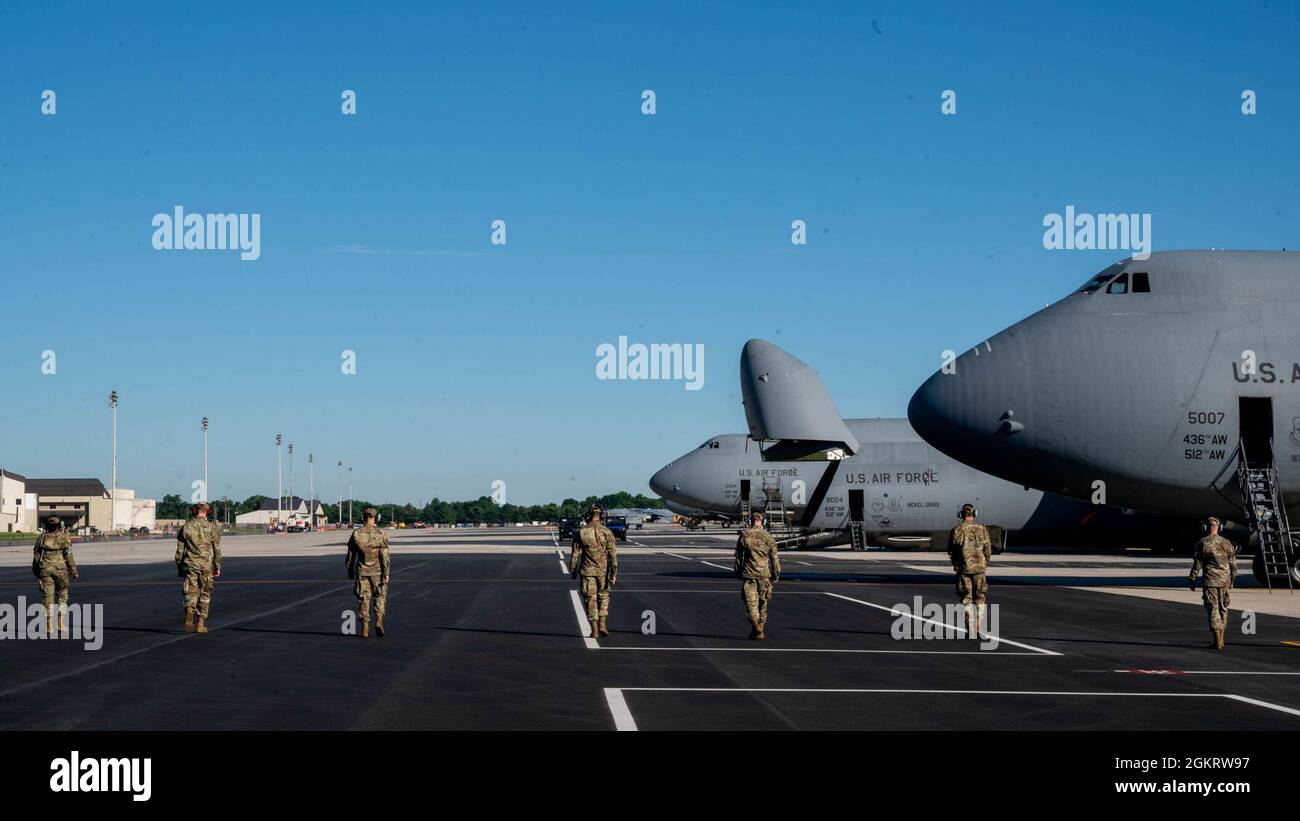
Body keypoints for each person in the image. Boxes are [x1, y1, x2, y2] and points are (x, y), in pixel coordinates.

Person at [1189, 516, 1237, 650]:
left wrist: (1192, 579)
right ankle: (1221, 640)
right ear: (1220, 528)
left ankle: (1217, 641)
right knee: (1223, 608)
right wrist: (1232, 580)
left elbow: (1197, 564)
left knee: (1213, 609)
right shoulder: (1227, 542)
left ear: (1206, 527)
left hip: (1210, 581)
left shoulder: (1202, 543)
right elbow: (1233, 564)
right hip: (1225, 581)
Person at [175, 502, 222, 634]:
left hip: (190, 565)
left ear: (194, 511)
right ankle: (201, 624)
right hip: (206, 566)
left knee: (190, 591)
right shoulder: (212, 528)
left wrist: (179, 566)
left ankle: (190, 610)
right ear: (207, 512)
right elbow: (217, 550)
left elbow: (180, 550)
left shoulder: (186, 527)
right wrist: (217, 566)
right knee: (205, 593)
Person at [570, 505, 617, 637]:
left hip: (587, 572)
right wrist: (613, 573)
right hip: (603, 571)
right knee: (604, 597)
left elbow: (575, 553)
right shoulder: (606, 531)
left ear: (588, 515)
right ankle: (602, 623)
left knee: (590, 599)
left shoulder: (581, 532)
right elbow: (613, 555)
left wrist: (573, 570)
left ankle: (594, 629)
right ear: (600, 516)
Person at [948, 503, 991, 640]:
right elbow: (988, 549)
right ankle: (979, 628)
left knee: (966, 599)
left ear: (961, 514)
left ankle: (970, 630)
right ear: (974, 514)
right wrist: (985, 563)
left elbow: (951, 550)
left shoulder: (957, 530)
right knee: (980, 598)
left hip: (963, 569)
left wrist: (956, 564)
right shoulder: (982, 529)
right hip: (979, 569)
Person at [734, 511, 780, 639]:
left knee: (750, 603)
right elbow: (774, 558)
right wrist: (776, 574)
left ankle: (756, 627)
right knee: (763, 603)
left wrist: (737, 571)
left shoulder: (744, 535)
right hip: (764, 575)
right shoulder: (768, 536)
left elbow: (739, 557)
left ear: (751, 521)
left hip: (749, 575)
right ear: (762, 521)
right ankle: (760, 629)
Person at [346, 507, 390, 637]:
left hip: (362, 572)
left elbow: (350, 555)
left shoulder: (356, 533)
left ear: (363, 517)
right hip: (378, 572)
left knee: (363, 599)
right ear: (375, 517)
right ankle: (379, 621)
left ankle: (365, 628)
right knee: (380, 597)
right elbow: (385, 555)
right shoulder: (380, 533)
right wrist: (386, 572)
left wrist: (350, 570)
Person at [33, 516, 78, 635]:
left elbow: (37, 556)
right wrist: (74, 571)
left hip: (45, 569)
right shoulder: (63, 538)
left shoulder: (42, 537)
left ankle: (48, 625)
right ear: (59, 526)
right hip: (60, 570)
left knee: (48, 596)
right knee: (63, 596)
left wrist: (36, 570)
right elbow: (69, 556)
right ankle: (60, 624)